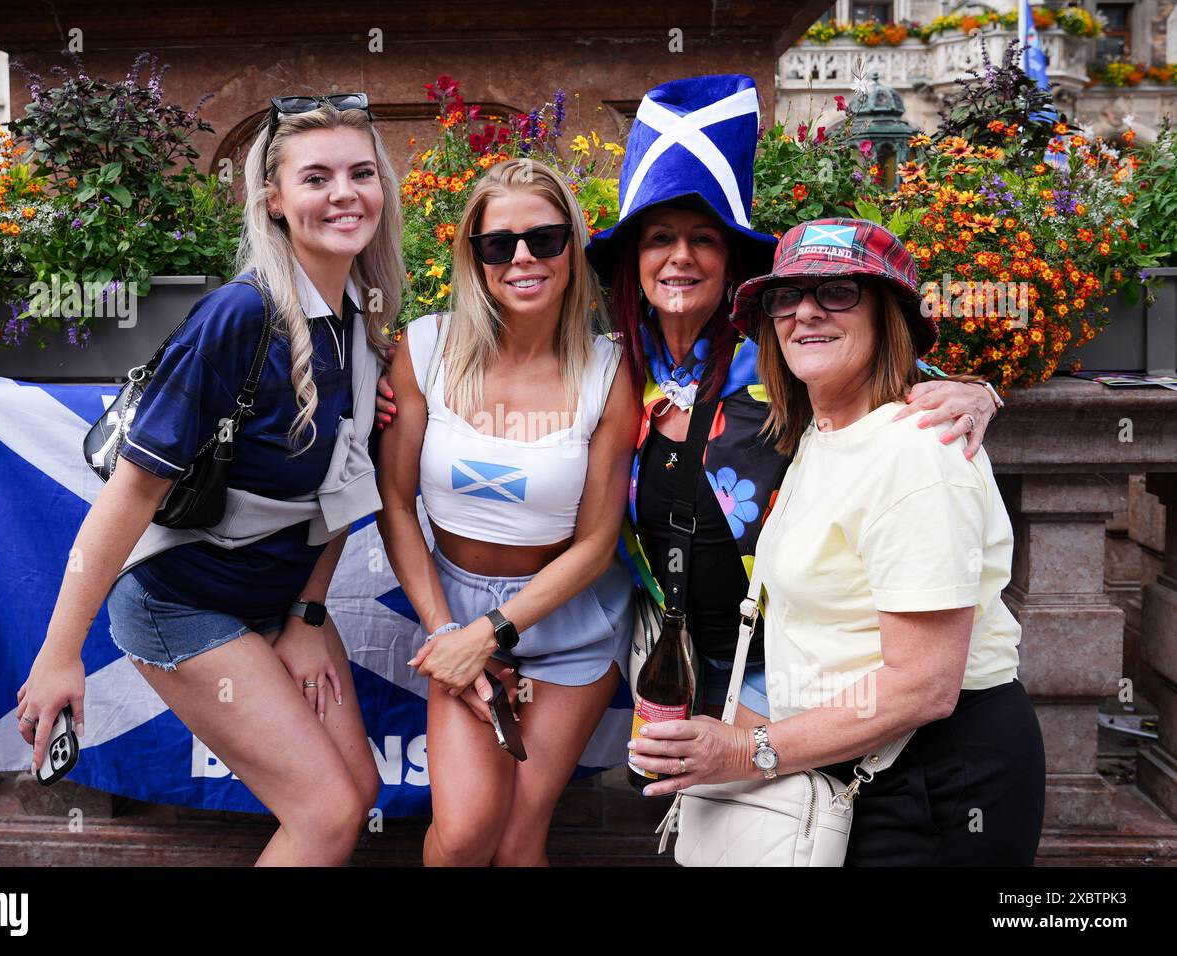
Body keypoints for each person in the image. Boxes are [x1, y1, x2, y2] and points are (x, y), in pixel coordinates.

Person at [15, 94, 404, 866]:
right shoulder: (238, 316)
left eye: (361, 173)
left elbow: (341, 495)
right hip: (179, 603)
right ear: (275, 199)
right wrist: (60, 655)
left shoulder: (364, 317)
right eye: (316, 177)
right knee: (325, 813)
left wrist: (306, 616)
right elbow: (129, 494)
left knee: (357, 792)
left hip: (272, 603)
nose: (343, 194)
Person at [629, 218, 1046, 866]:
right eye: (785, 297)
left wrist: (747, 751)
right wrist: (705, 739)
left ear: (887, 315)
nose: (805, 312)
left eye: (837, 292)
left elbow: (923, 686)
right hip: (855, 764)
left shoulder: (915, 451)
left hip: (939, 779)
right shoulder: (820, 435)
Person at [583, 75, 1000, 721]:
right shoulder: (611, 364)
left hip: (785, 671)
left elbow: (899, 372)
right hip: (671, 662)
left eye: (704, 239)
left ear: (731, 261)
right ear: (634, 258)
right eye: (660, 238)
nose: (680, 258)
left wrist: (977, 392)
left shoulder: (779, 353)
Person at [377, 158, 639, 867]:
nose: (522, 258)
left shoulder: (611, 372)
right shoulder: (426, 348)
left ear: (572, 248)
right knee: (463, 836)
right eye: (500, 244)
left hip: (568, 618)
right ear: (475, 257)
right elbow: (396, 505)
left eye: (545, 239)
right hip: (455, 611)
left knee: (520, 843)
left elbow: (596, 542)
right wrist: (451, 635)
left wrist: (497, 629)